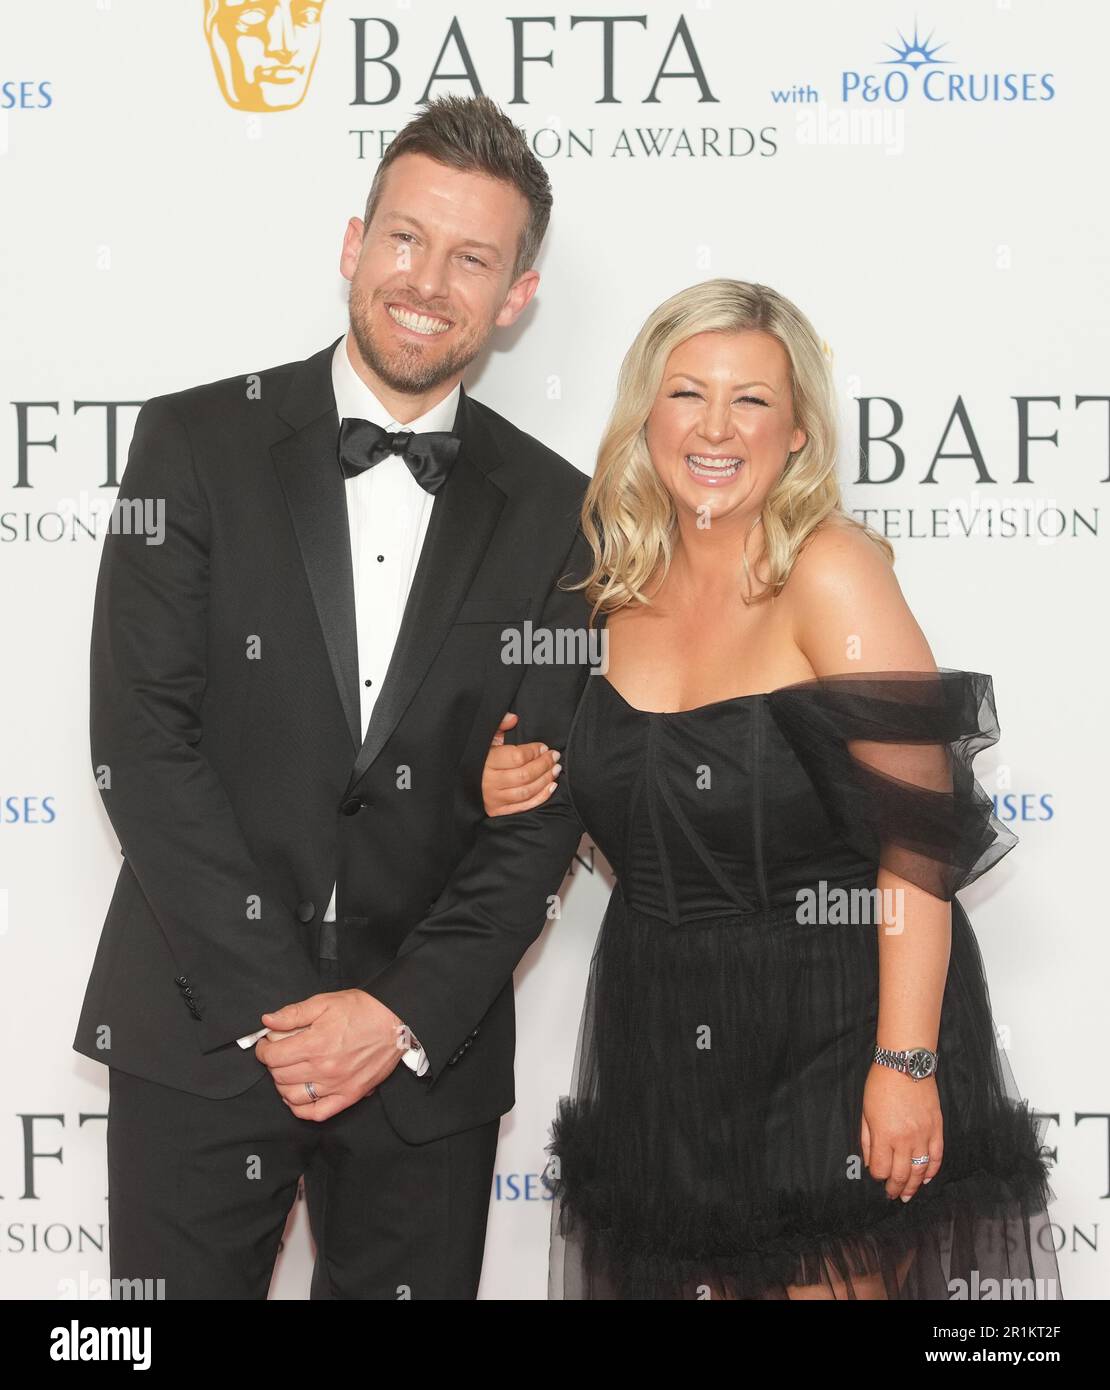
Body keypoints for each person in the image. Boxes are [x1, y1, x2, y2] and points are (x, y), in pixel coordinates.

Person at [73, 94, 595, 1300]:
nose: (428, 280)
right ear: (353, 243)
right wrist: (286, 1007)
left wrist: (392, 1015)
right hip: (201, 1027)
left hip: (427, 1058)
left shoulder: (566, 512)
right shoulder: (196, 442)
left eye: (474, 257)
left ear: (516, 295)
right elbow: (143, 745)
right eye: (407, 238)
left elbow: (545, 813)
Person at [481, 278, 1062, 1300]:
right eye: (685, 393)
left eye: (751, 399)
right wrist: (509, 775)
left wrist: (908, 1065)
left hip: (832, 1016)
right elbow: (606, 792)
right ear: (644, 415)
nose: (715, 426)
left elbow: (917, 841)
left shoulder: (831, 573)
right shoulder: (609, 580)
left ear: (797, 432)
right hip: (659, 1019)